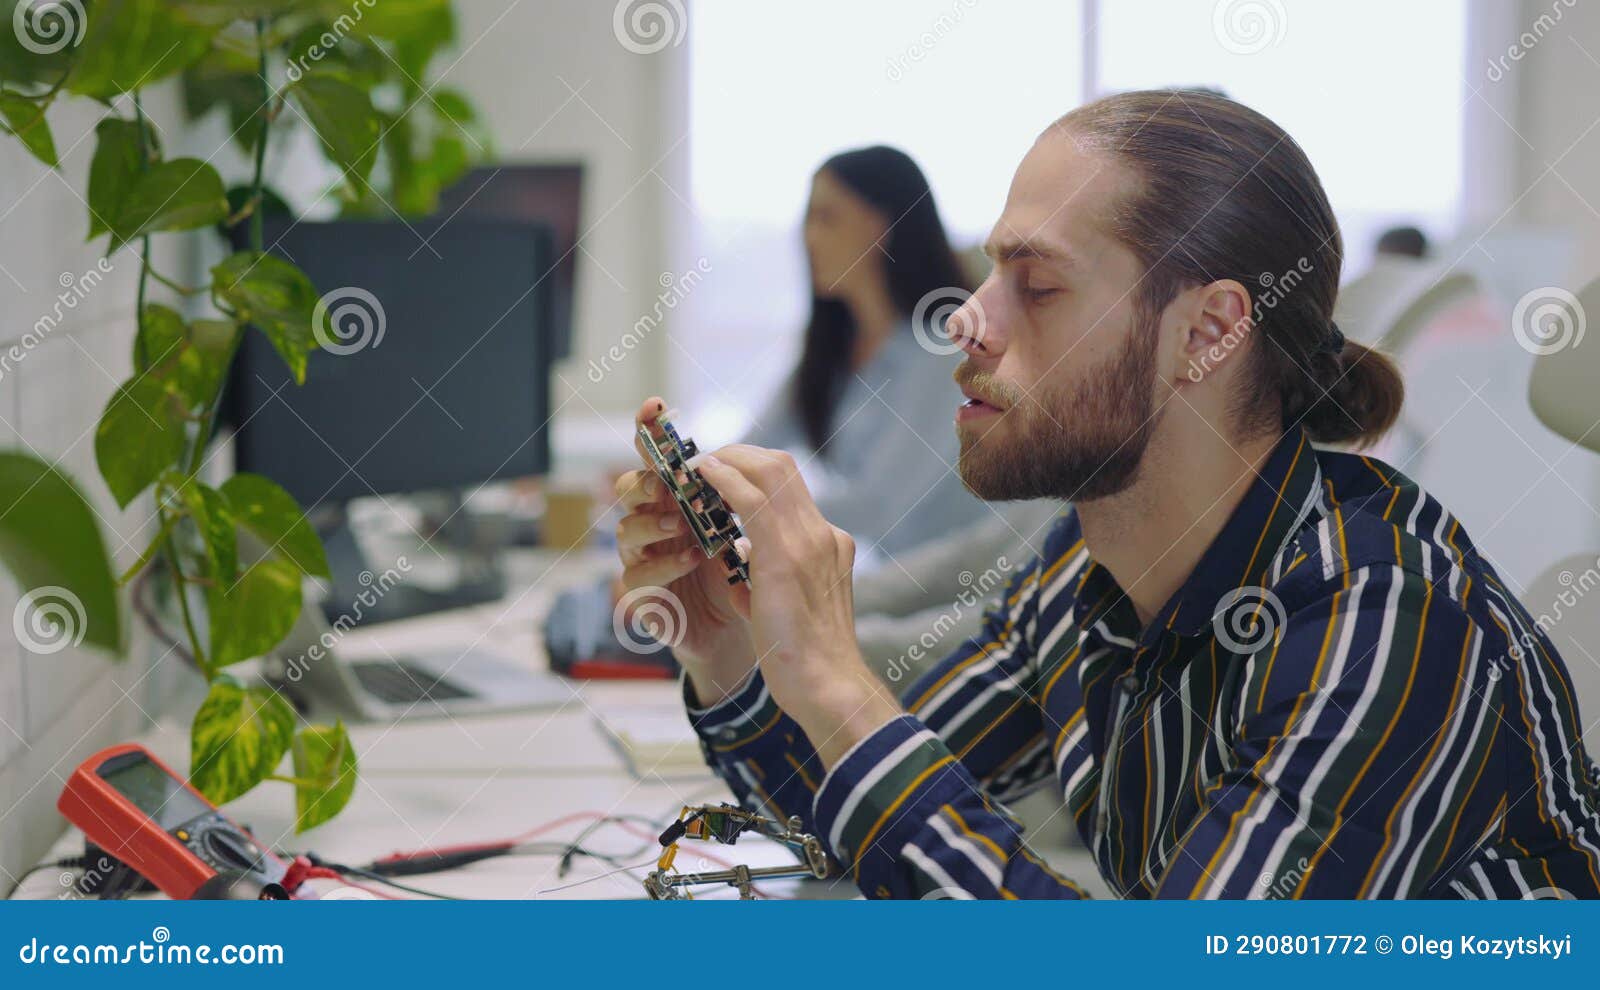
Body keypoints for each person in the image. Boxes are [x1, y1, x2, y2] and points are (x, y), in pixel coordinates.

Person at [613, 89, 1600, 898]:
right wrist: (736, 654)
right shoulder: (1083, 571)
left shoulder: (1385, 616)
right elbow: (847, 813)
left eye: (1036, 288)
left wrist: (839, 686)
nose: (966, 321)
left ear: (1207, 333)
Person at [740, 145, 988, 561]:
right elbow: (750, 450)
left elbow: (880, 505)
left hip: (951, 596)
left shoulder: (943, 351)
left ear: (881, 225)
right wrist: (680, 483)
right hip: (890, 580)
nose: (809, 237)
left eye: (827, 218)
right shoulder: (831, 351)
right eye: (808, 219)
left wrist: (735, 511)